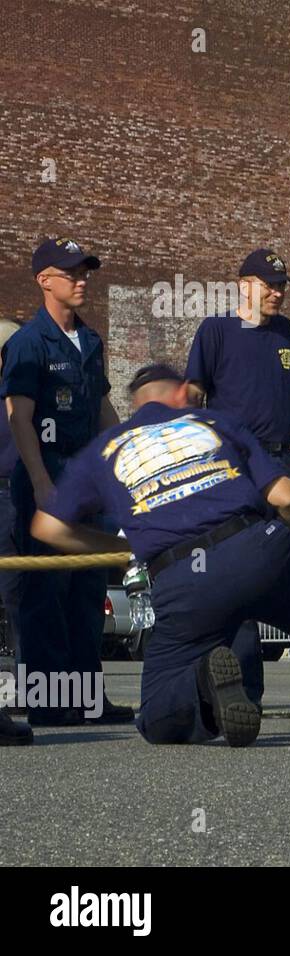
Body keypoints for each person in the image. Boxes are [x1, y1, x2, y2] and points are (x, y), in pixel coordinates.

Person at [30, 364, 290, 747]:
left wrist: (122, 550)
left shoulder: (106, 449)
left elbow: (47, 527)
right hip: (257, 549)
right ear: (179, 396)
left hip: (184, 580)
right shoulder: (216, 423)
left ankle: (202, 686)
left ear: (134, 406)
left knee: (156, 712)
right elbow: (288, 497)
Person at [184, 249, 290, 716]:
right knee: (239, 576)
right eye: (269, 284)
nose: (278, 292)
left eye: (282, 285)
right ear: (243, 284)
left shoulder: (286, 333)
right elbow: (195, 397)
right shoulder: (215, 331)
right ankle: (244, 698)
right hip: (235, 469)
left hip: (284, 464)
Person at [0, 238, 132, 726]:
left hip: (86, 484)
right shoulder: (27, 344)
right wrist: (38, 480)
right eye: (71, 272)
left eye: (85, 272)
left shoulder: (91, 342)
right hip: (46, 481)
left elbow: (101, 407)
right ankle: (50, 703)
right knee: (44, 596)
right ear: (44, 280)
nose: (82, 280)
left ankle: (87, 699)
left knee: (85, 593)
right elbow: (19, 416)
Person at [0, 319, 32, 746]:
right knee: (14, 597)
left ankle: (23, 689)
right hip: (7, 493)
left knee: (19, 597)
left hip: (17, 494)